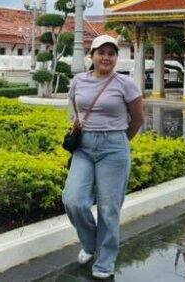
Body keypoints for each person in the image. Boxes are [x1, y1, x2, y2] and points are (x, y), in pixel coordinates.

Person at [62, 34, 144, 279]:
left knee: (109, 208)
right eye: (101, 52)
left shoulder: (125, 84)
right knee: (73, 200)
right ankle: (90, 244)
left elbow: (138, 119)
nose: (106, 57)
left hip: (114, 147)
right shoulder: (78, 80)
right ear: (92, 56)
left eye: (111, 53)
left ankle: (105, 260)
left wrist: (119, 141)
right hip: (84, 147)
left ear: (116, 58)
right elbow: (74, 110)